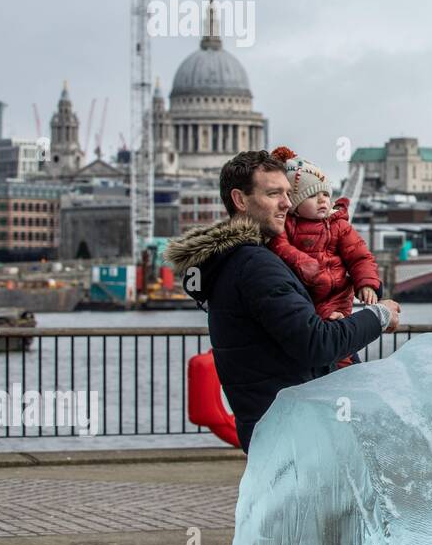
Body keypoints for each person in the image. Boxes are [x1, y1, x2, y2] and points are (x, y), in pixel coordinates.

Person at [165, 149, 400, 452]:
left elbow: (290, 343)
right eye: (274, 193)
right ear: (240, 200)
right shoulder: (256, 266)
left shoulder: (232, 262)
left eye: (288, 193)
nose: (287, 203)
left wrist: (327, 321)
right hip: (294, 437)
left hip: (272, 430)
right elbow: (316, 345)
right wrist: (379, 315)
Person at [266, 146, 381, 369]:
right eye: (313, 195)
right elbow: (278, 247)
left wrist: (367, 284)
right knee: (320, 343)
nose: (323, 201)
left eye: (326, 194)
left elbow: (360, 258)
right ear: (294, 203)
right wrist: (307, 265)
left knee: (340, 350)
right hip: (306, 297)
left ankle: (344, 382)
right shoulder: (285, 225)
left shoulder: (339, 226)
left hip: (336, 295)